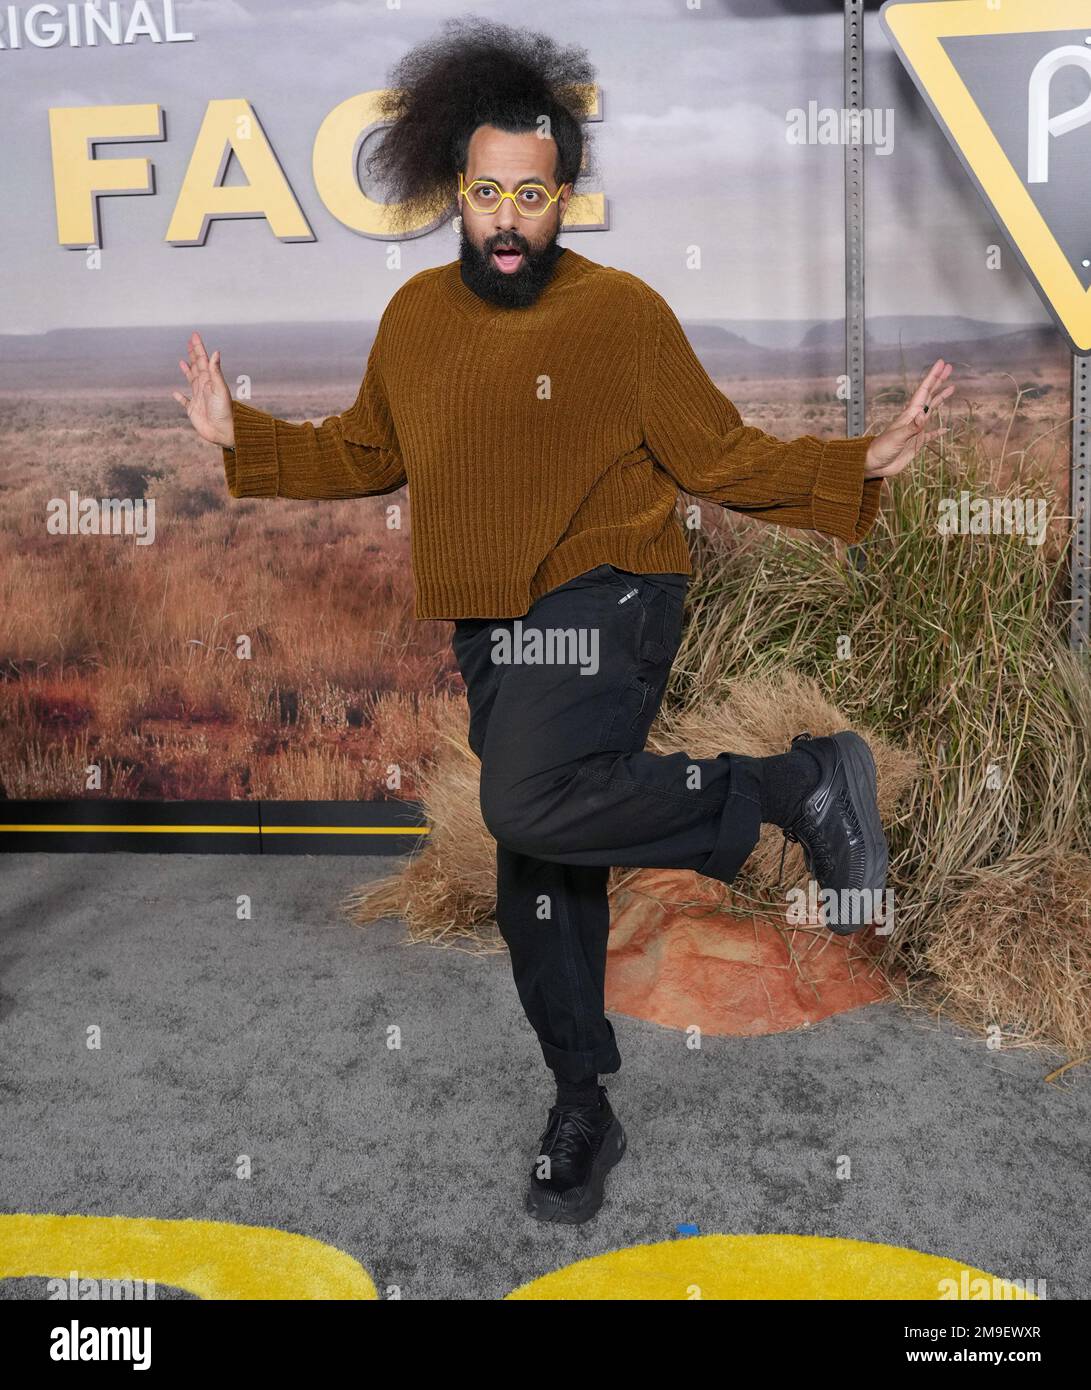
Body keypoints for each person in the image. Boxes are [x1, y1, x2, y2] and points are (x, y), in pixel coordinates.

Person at [172, 18, 954, 1225]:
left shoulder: (620, 316)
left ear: (563, 199)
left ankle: (795, 786)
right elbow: (364, 450)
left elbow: (717, 452)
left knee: (526, 800)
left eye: (527, 195)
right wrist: (244, 438)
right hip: (490, 625)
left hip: (612, 590)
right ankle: (581, 1098)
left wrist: (859, 467)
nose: (502, 217)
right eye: (484, 191)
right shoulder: (418, 323)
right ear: (456, 188)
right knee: (541, 859)